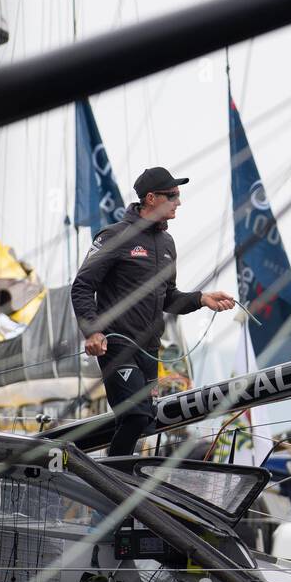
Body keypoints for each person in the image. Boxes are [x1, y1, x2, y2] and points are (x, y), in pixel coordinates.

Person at [70, 167, 235, 456]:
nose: (178, 202)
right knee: (136, 417)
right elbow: (82, 286)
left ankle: (114, 479)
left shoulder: (167, 244)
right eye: (172, 196)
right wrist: (93, 331)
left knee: (143, 423)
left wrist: (201, 299)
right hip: (117, 343)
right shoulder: (114, 236)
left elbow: (168, 297)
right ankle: (114, 481)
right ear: (150, 198)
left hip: (149, 350)